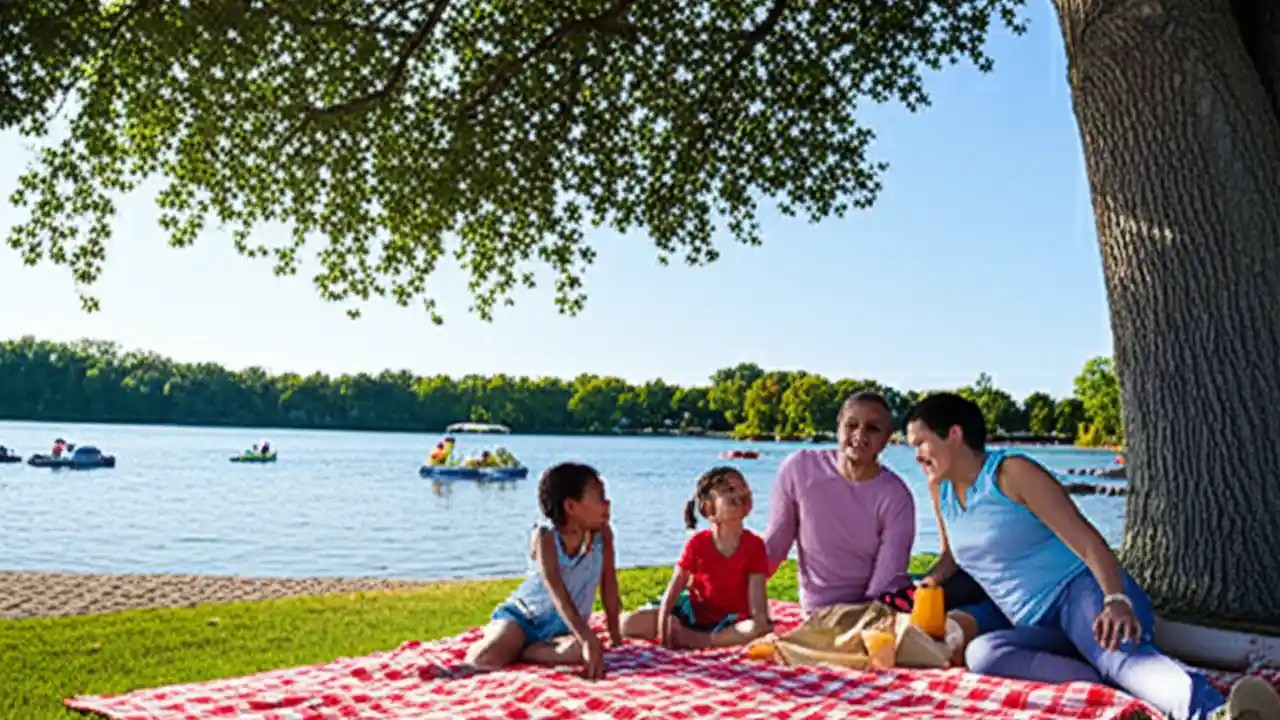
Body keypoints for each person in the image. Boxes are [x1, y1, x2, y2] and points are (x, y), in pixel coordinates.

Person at [904, 392, 1280, 720]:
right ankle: (1111, 679)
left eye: (920, 442)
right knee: (984, 654)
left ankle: (1213, 711)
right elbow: (951, 554)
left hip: (1082, 593)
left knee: (1125, 660)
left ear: (953, 435)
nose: (916, 455)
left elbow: (1087, 540)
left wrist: (1115, 599)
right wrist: (927, 583)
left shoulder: (1012, 473)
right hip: (1036, 624)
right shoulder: (942, 491)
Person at [464, 462, 622, 679]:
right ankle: (515, 646)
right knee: (487, 657)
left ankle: (526, 652)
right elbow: (557, 592)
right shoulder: (546, 537)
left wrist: (615, 637)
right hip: (524, 618)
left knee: (582, 651)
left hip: (563, 631)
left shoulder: (603, 536)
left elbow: (609, 587)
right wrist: (586, 636)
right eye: (600, 497)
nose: (608, 504)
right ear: (571, 507)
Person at [763, 391, 917, 614]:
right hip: (816, 611)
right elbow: (776, 544)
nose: (860, 435)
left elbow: (887, 579)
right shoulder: (799, 468)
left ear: (887, 438)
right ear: (838, 426)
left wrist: (860, 621)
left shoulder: (897, 496)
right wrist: (736, 589)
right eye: (851, 425)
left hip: (871, 611)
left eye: (873, 428)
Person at [621, 466, 771, 649]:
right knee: (628, 624)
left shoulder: (754, 546)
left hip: (732, 621)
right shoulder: (697, 543)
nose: (741, 493)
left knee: (758, 627)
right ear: (709, 509)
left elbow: (758, 606)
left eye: (744, 488)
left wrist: (759, 620)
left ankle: (696, 639)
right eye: (730, 490)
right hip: (693, 614)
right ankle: (683, 632)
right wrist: (662, 627)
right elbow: (675, 587)